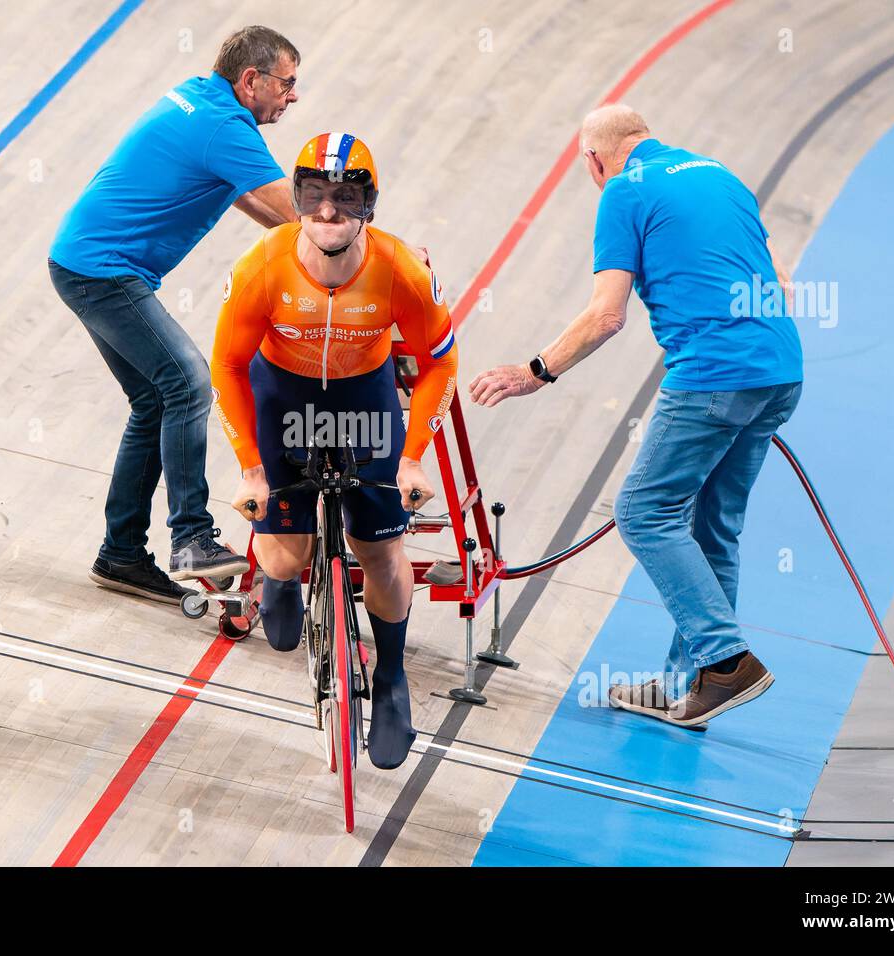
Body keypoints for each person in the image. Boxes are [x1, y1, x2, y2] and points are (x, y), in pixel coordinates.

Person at [469, 105, 803, 728]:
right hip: (780, 371)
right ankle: (693, 683)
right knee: (715, 525)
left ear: (595, 159)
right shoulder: (721, 175)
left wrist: (534, 371)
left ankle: (726, 661)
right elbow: (779, 282)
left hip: (712, 376)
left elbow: (606, 314)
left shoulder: (624, 190)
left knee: (643, 511)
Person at [210, 133, 459, 768]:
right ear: (297, 199)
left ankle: (393, 679)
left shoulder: (402, 269)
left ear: (367, 207)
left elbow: (439, 362)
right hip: (281, 396)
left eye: (344, 199)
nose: (327, 212)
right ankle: (284, 579)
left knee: (379, 547)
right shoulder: (261, 267)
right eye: (315, 196)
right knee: (285, 560)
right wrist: (251, 471)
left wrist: (410, 458)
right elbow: (228, 366)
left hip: (363, 399)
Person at [47, 26, 301, 604]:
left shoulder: (200, 96)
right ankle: (191, 539)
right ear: (251, 80)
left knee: (155, 400)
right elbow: (297, 213)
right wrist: (387, 255)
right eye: (286, 84)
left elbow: (256, 202)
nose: (292, 97)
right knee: (188, 381)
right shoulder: (225, 127)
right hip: (104, 274)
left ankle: (121, 555)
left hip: (82, 261)